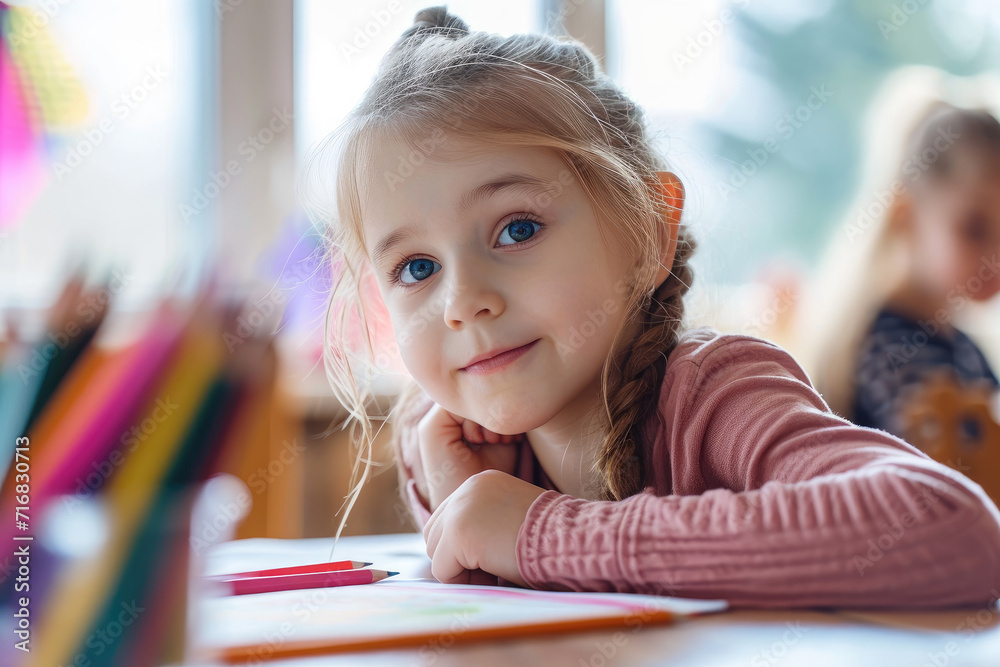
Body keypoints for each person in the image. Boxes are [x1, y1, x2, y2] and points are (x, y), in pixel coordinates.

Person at [305, 7, 1000, 609]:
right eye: (416, 268)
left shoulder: (713, 392)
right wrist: (464, 508)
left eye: (517, 228)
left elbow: (951, 528)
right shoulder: (448, 443)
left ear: (648, 232)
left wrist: (544, 532)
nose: (462, 302)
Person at [793, 72, 1000, 443]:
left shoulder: (964, 348)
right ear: (905, 213)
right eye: (974, 229)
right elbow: (954, 483)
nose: (995, 257)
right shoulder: (885, 350)